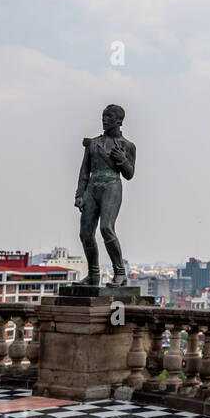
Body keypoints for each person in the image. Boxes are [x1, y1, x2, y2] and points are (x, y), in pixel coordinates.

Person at [75, 104, 136, 287]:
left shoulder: (127, 146)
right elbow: (84, 171)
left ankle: (120, 273)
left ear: (119, 121)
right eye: (103, 116)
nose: (104, 119)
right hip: (92, 187)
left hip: (111, 186)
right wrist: (80, 193)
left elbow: (129, 174)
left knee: (106, 228)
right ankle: (93, 275)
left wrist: (122, 159)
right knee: (85, 233)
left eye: (108, 116)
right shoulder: (93, 143)